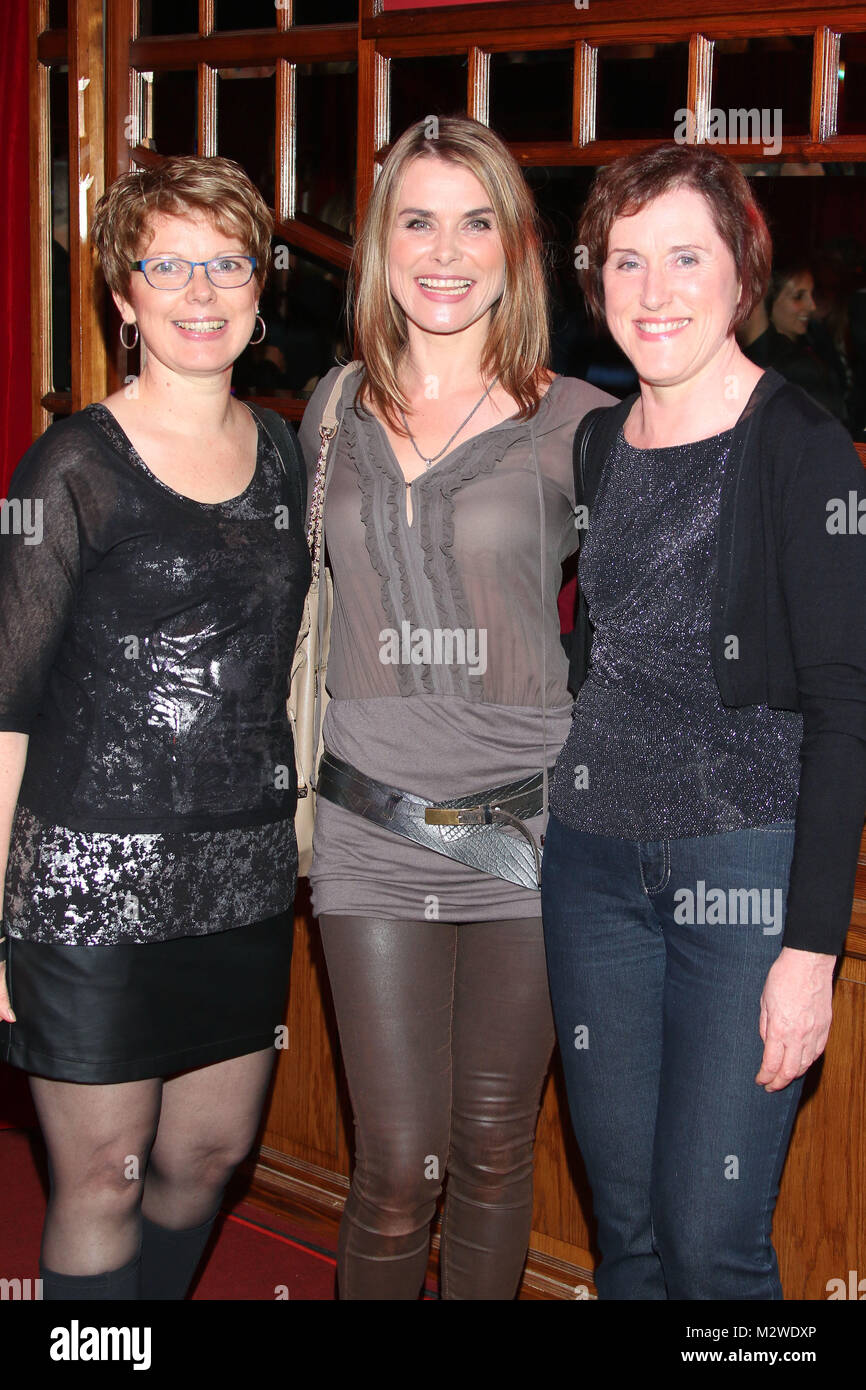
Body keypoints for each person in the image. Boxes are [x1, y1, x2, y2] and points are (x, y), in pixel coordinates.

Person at [541, 142, 866, 1300]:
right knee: (623, 1234)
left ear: (740, 270)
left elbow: (845, 710)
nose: (653, 289)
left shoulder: (799, 447)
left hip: (741, 877)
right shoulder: (597, 443)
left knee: (709, 1242)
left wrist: (809, 949)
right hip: (587, 870)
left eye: (685, 256)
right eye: (625, 261)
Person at [297, 115, 612, 1300]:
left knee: (489, 1146)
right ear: (381, 243)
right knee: (392, 1165)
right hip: (372, 830)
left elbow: (656, 622)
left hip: (530, 835)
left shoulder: (581, 422)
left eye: (474, 221)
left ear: (513, 247)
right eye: (415, 220)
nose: (444, 249)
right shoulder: (331, 408)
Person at [0, 156, 311, 1300]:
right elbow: (4, 710)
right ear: (123, 298)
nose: (199, 288)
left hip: (238, 873)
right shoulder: (73, 463)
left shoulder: (284, 455)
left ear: (256, 285)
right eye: (165, 263)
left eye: (225, 260)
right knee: (102, 1179)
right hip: (89, 886)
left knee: (204, 1158)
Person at [742, 258, 849, 425]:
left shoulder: (812, 351)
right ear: (767, 301)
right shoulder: (788, 366)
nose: (812, 306)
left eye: (812, 295)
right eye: (798, 297)